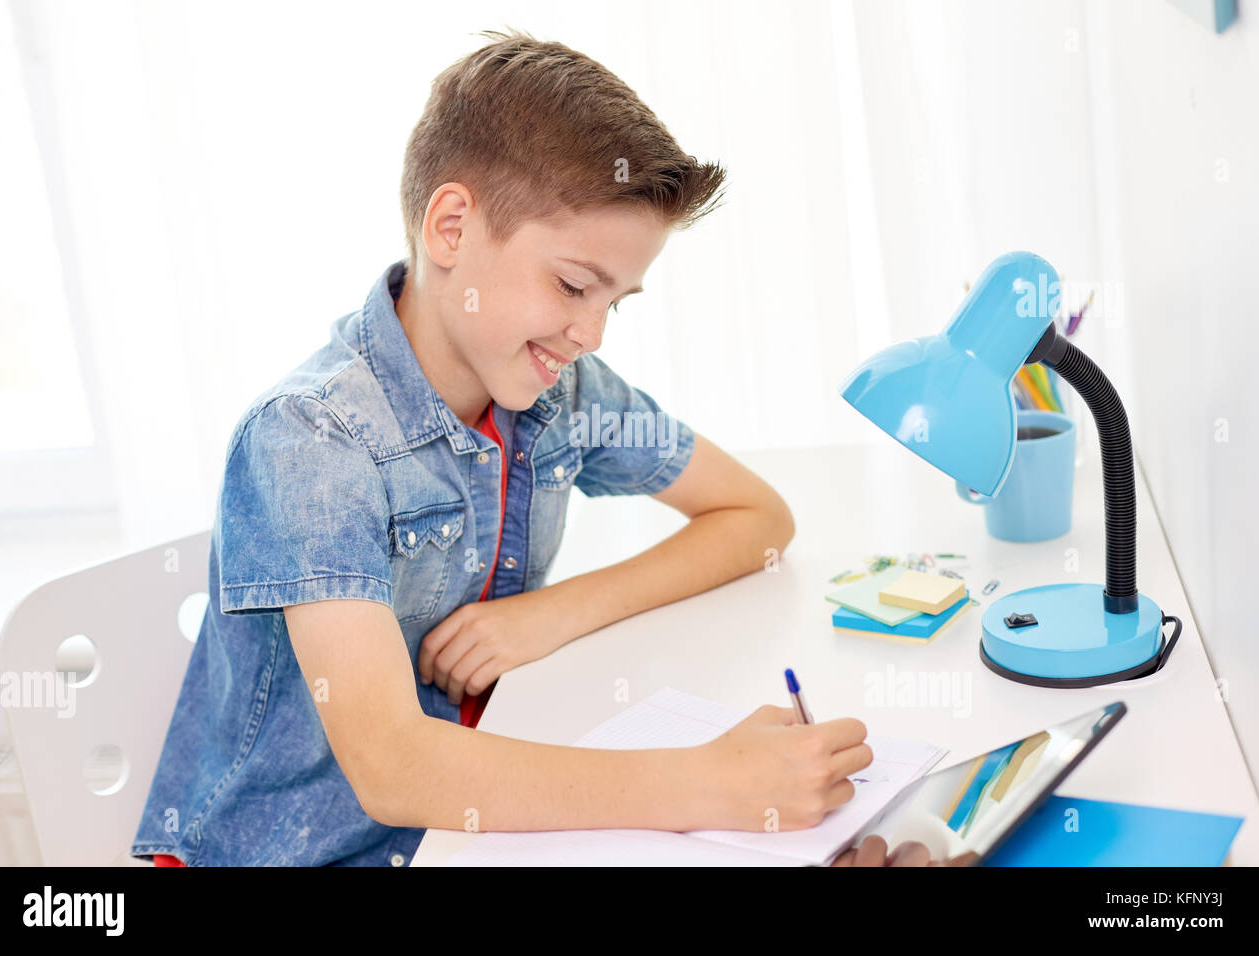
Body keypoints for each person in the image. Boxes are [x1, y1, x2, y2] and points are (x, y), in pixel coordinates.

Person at [132, 28, 874, 867]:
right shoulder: (311, 438)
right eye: (571, 285)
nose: (590, 333)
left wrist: (547, 615)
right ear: (450, 228)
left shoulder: (558, 394)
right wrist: (711, 783)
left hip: (478, 822)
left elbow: (757, 516)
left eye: (616, 303)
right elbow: (394, 770)